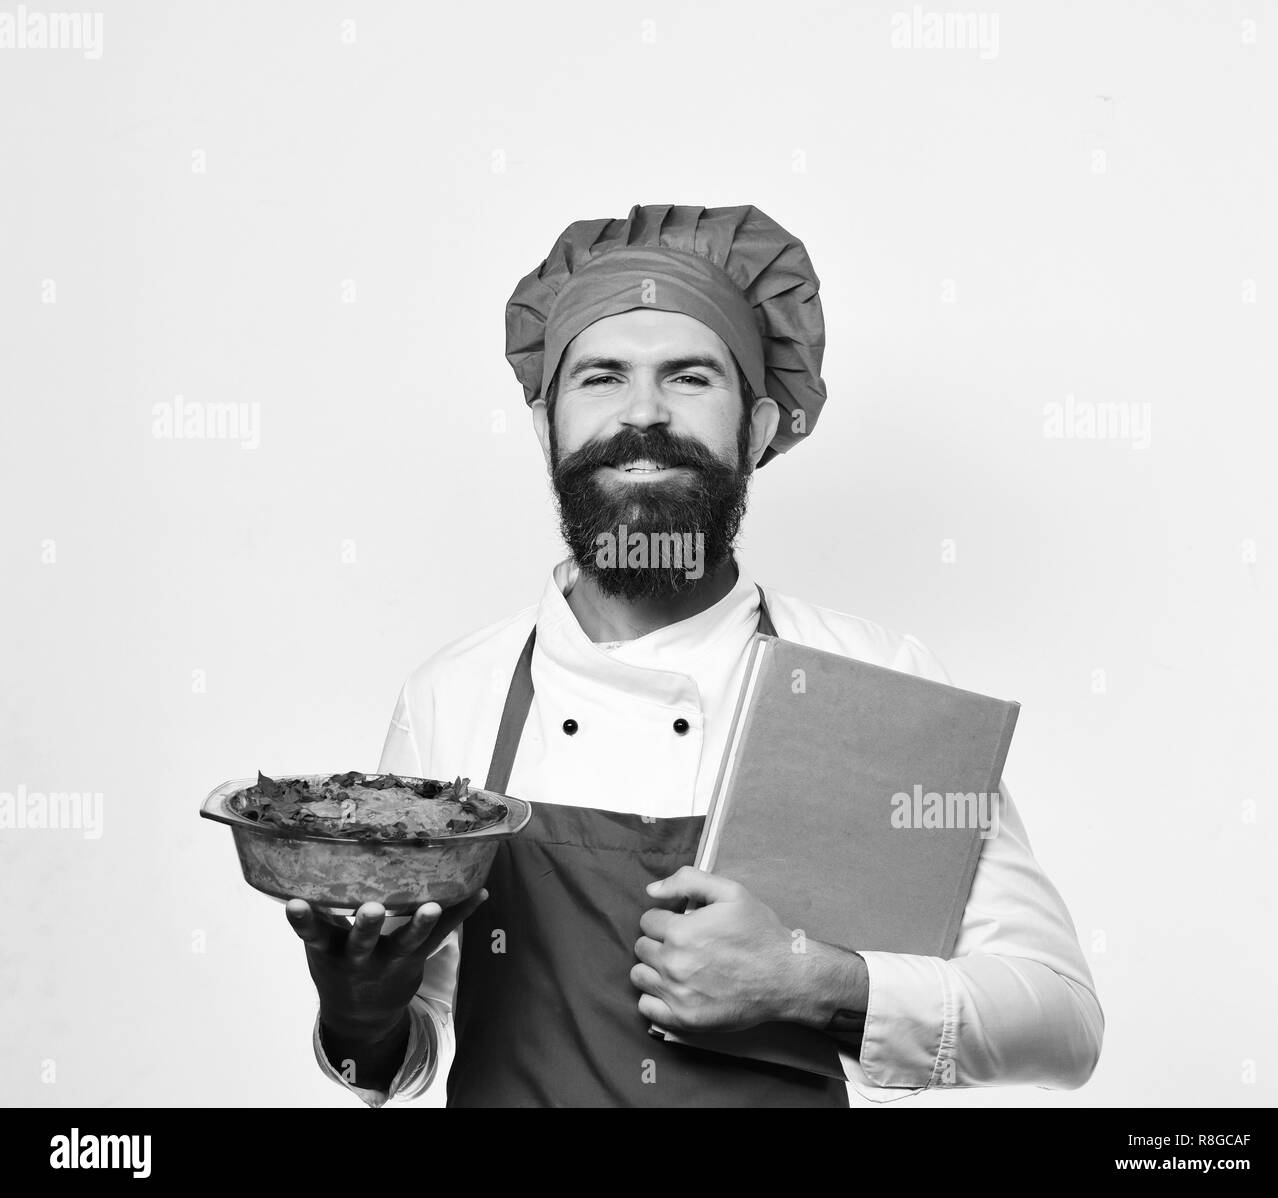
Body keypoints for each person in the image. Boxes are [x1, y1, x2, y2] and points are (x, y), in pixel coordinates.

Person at [286, 203, 1104, 1108]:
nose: (644, 414)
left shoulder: (872, 682)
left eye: (689, 376)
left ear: (757, 428)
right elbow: (403, 1054)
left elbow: (1062, 1023)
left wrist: (813, 980)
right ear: (545, 423)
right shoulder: (455, 691)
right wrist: (358, 1019)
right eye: (601, 377)